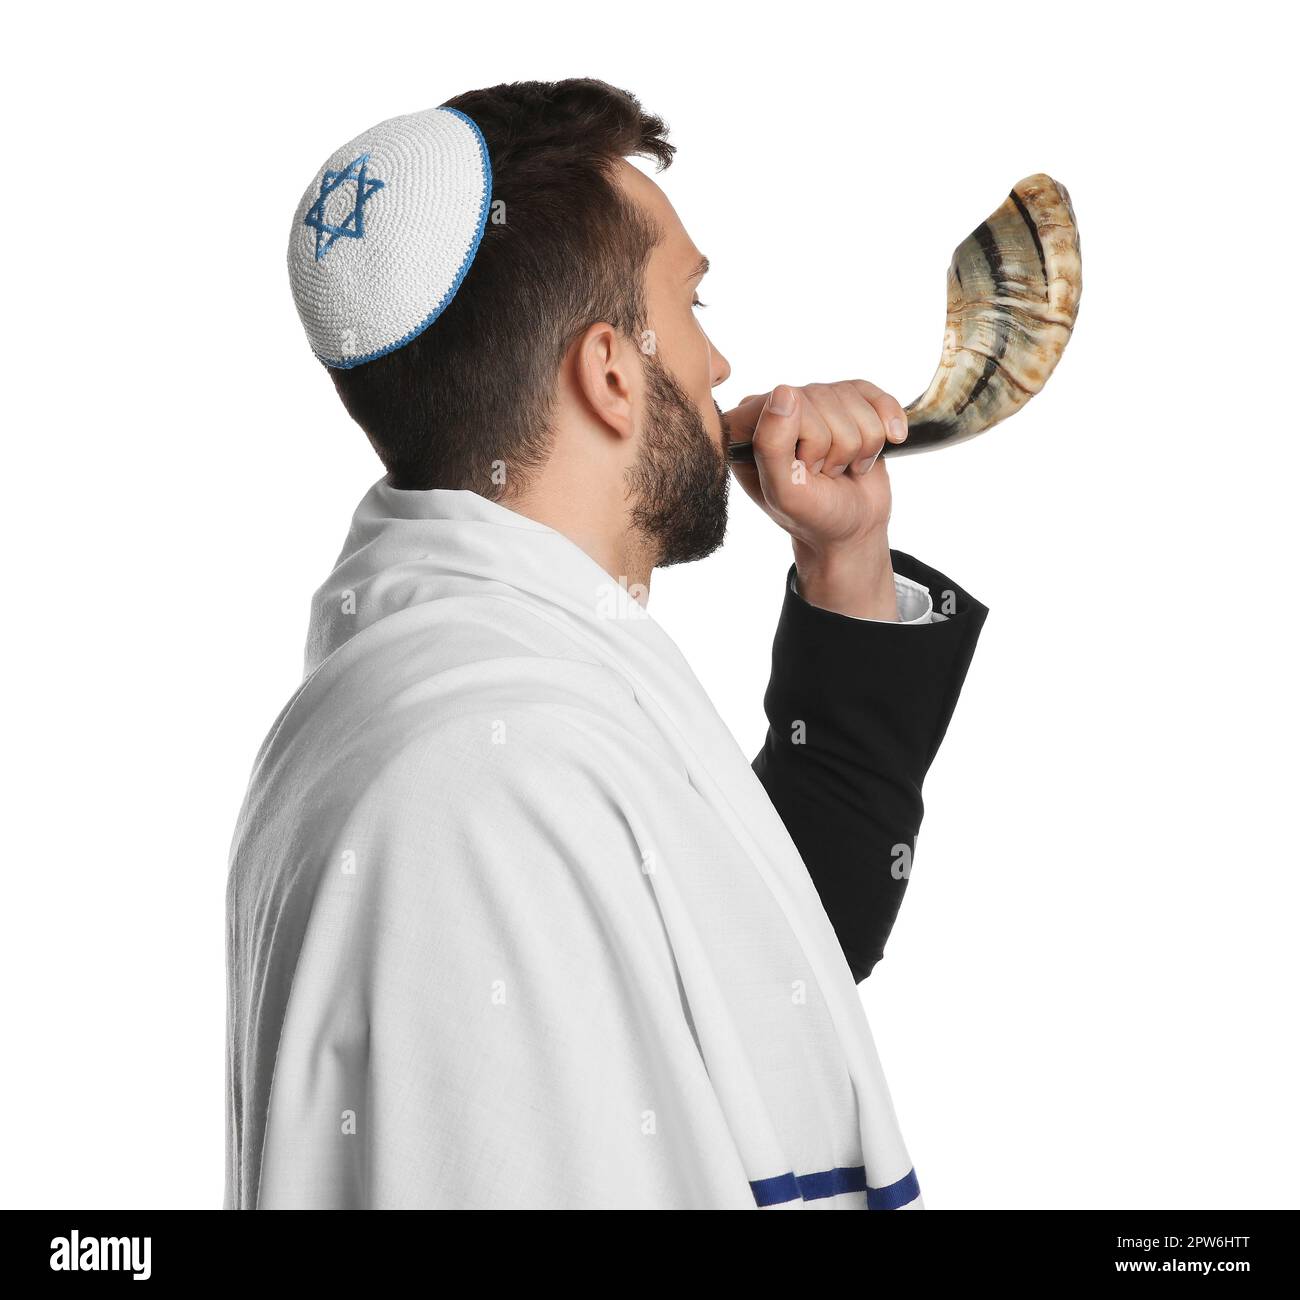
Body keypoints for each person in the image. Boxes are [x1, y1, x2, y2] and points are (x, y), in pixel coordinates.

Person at [225, 79, 987, 1210]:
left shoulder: (480, 678)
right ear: (612, 373)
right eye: (692, 304)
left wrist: (846, 563)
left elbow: (768, 962)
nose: (720, 370)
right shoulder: (484, 777)